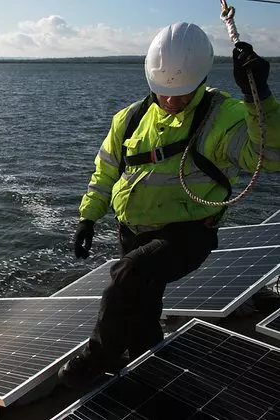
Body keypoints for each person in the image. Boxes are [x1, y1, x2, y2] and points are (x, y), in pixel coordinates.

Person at [58, 22, 280, 388]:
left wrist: (260, 99)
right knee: (142, 305)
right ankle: (148, 366)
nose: (172, 101)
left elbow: (269, 155)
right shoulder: (129, 119)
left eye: (182, 93)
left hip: (187, 234)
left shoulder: (224, 117)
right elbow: (106, 170)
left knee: (128, 274)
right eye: (164, 92)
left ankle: (96, 359)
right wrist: (88, 216)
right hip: (132, 231)